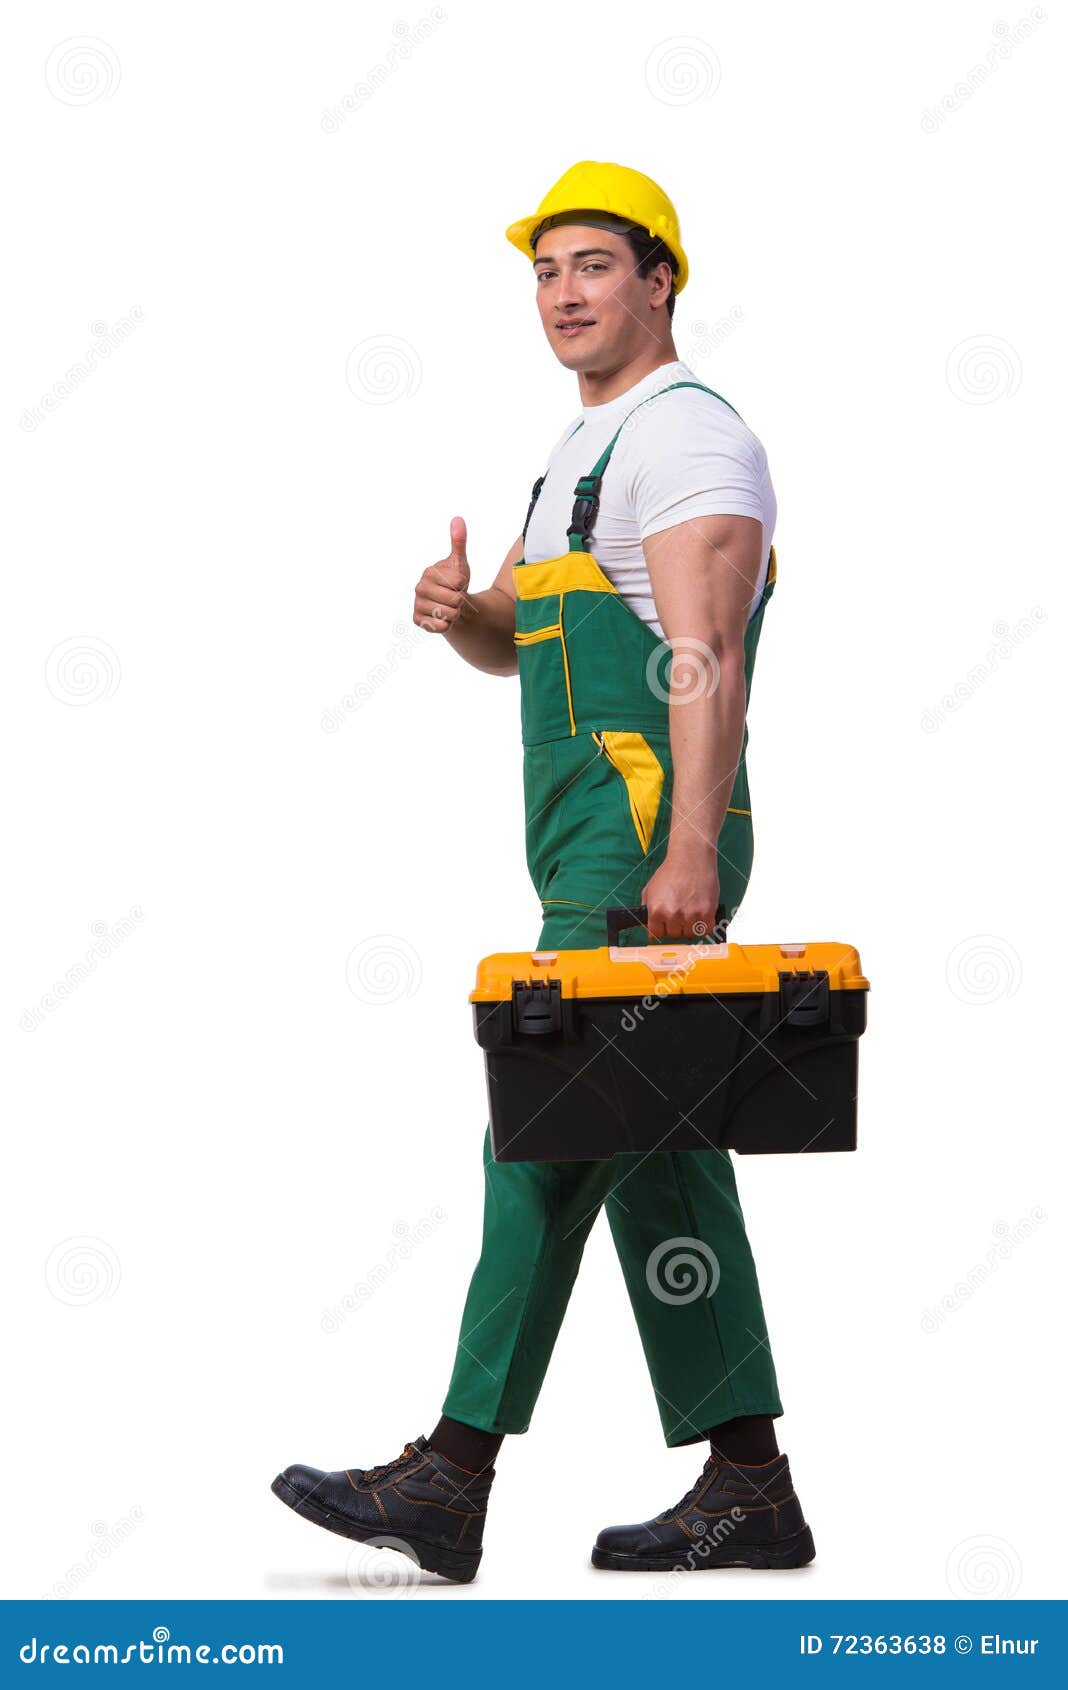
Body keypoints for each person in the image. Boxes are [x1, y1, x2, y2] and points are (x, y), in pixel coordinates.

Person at [272, 160, 814, 1584]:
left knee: (542, 1135)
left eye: (593, 266)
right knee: (645, 1149)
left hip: (645, 840)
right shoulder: (577, 451)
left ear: (661, 281)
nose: (563, 293)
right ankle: (748, 1483)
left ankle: (453, 1470)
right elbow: (522, 630)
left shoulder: (690, 440)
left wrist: (690, 842)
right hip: (593, 837)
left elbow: (708, 654)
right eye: (545, 270)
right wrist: (462, 613)